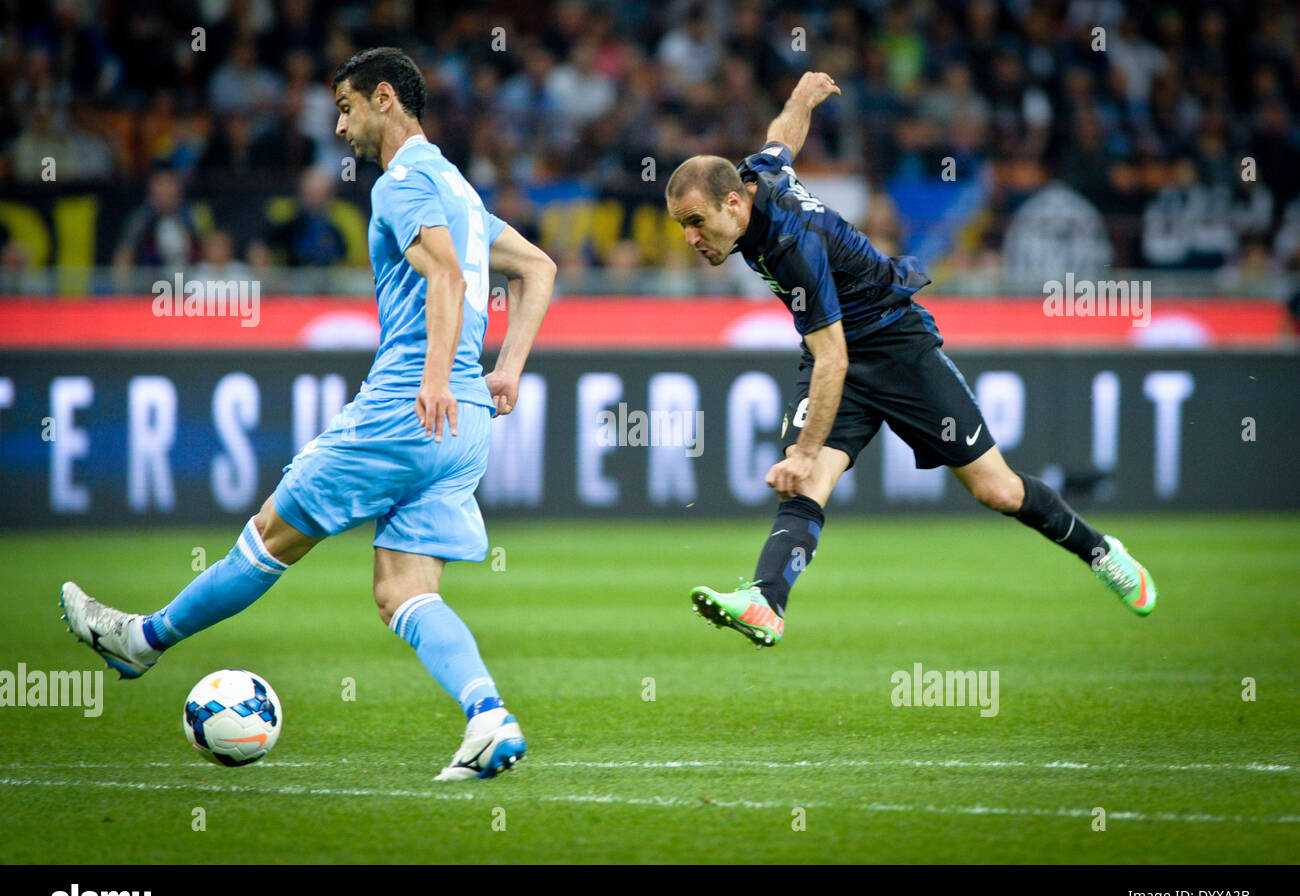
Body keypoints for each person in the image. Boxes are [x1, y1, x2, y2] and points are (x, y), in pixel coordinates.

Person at [61, 47, 557, 780]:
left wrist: (432, 378)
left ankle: (142, 641)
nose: (339, 123)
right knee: (404, 593)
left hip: (405, 411)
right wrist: (506, 367)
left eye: (347, 106)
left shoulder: (403, 181)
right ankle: (489, 718)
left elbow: (448, 276)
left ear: (384, 98)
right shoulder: (457, 185)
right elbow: (539, 268)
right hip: (466, 427)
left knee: (269, 534)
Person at [664, 71, 1156, 648]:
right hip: (840, 348)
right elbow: (781, 140)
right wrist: (800, 98)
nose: (691, 238)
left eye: (695, 223)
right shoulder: (757, 176)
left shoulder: (789, 244)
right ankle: (767, 600)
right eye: (682, 227)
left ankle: (1101, 551)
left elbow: (833, 358)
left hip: (894, 345)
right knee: (809, 481)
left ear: (731, 203)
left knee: (996, 490)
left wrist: (800, 450)